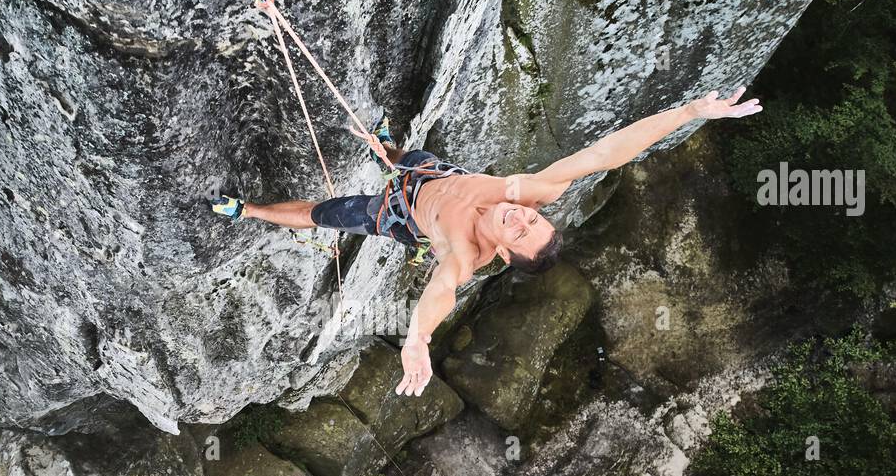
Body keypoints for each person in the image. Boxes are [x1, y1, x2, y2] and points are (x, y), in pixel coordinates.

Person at [212, 89, 761, 397]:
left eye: (519, 230)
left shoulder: (465, 255)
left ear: (502, 254)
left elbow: (442, 289)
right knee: (409, 158)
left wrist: (418, 337)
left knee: (323, 214)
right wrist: (688, 112)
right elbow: (605, 155)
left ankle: (250, 210)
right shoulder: (525, 190)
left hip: (401, 214)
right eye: (531, 218)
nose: (519, 215)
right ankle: (388, 148)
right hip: (438, 175)